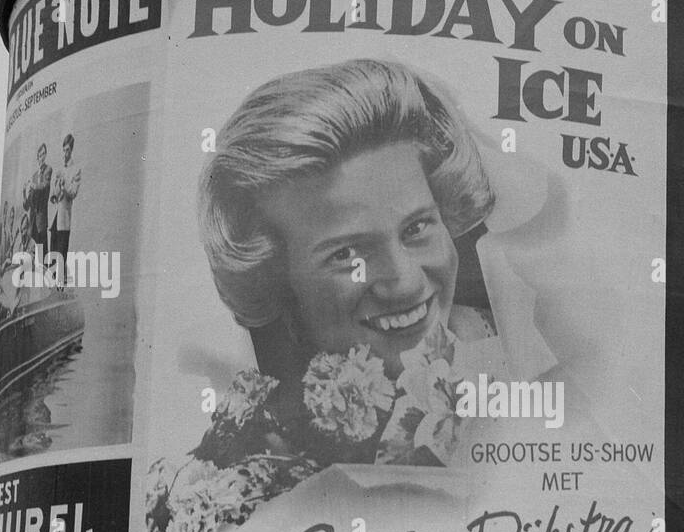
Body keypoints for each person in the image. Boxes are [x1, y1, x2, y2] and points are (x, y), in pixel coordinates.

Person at [199, 59, 499, 388]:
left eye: (416, 229)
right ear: (275, 280)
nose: (406, 283)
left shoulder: (531, 347)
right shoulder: (261, 424)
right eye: (346, 254)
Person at [49, 133, 81, 263]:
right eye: (64, 150)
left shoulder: (76, 170)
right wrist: (57, 186)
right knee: (53, 246)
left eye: (67, 150)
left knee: (62, 249)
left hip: (65, 214)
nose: (65, 153)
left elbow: (73, 193)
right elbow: (54, 193)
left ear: (71, 150)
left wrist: (64, 184)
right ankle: (53, 276)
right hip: (56, 212)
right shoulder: (60, 168)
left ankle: (60, 279)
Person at [22, 142, 53, 256]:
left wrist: (33, 186)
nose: (42, 157)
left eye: (44, 154)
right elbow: (27, 206)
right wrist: (24, 193)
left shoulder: (48, 170)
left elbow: (45, 185)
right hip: (33, 220)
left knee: (43, 251)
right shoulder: (34, 176)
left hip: (41, 219)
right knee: (34, 253)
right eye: (40, 155)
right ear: (37, 157)